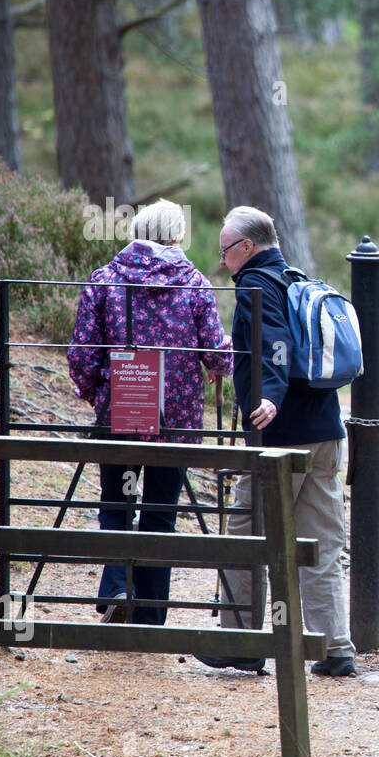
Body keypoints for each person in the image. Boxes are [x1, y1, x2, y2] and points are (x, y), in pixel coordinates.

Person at [199, 205, 357, 678]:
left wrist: (268, 398)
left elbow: (275, 345)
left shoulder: (255, 285)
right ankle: (335, 649)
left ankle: (243, 643)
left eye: (226, 250)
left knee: (247, 535)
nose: (222, 260)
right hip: (326, 432)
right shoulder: (297, 277)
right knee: (322, 542)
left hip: (280, 438)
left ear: (247, 247)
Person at [68, 198, 233, 625]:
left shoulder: (105, 279)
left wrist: (100, 394)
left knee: (117, 502)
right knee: (161, 511)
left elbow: (82, 353)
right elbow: (217, 353)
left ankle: (118, 586)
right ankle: (151, 614)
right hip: (176, 420)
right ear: (176, 236)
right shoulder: (194, 283)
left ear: (136, 233)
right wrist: (219, 365)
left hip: (121, 408)